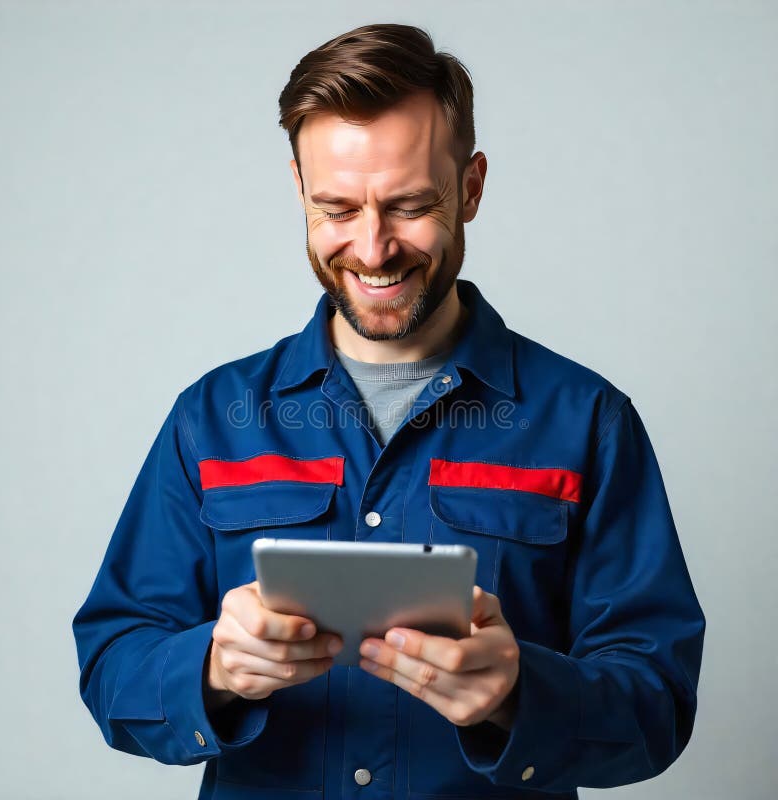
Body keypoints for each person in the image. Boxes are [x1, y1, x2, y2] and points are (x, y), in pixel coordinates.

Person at [73, 22, 705, 800]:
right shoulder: (210, 419)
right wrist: (211, 668)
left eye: (409, 205)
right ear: (299, 189)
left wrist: (519, 693)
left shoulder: (590, 422)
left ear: (470, 187)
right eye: (337, 208)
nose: (372, 249)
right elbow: (110, 668)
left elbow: (660, 706)